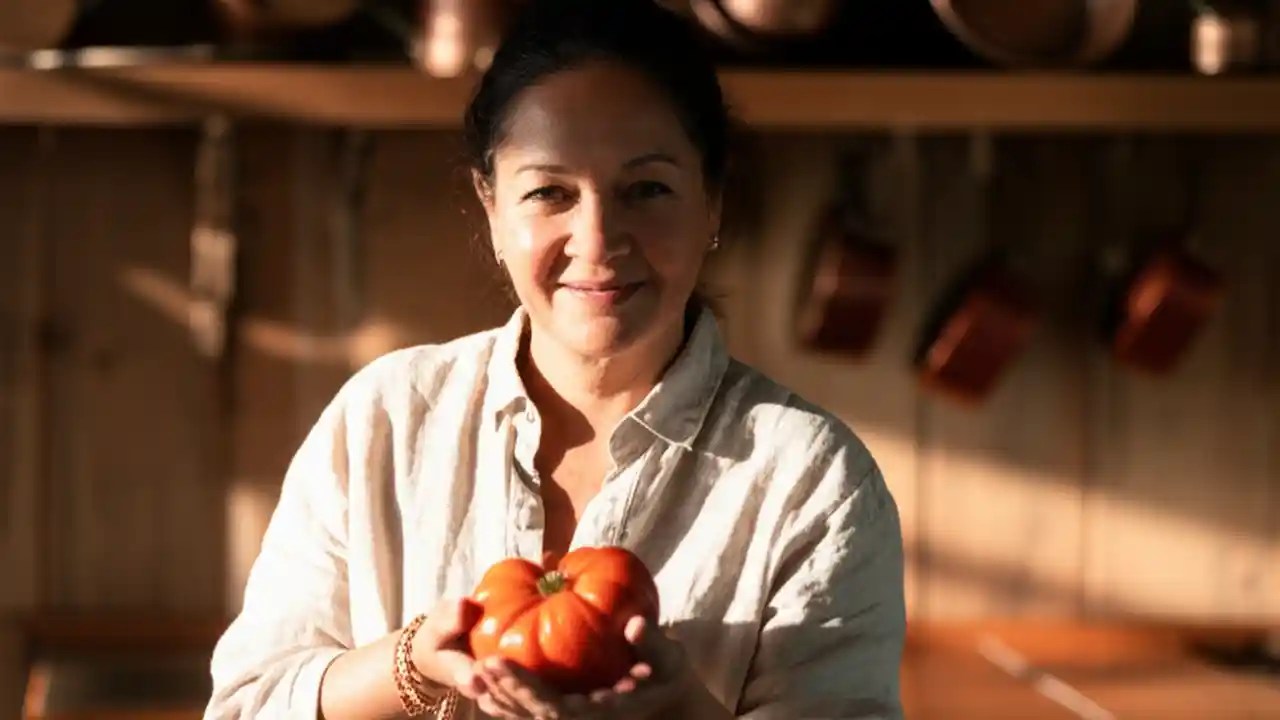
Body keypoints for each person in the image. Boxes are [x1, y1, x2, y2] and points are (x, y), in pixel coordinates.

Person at [203, 0, 905, 718]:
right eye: (549, 192)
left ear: (713, 202)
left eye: (647, 189)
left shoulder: (811, 481)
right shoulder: (385, 420)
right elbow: (245, 706)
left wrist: (686, 711)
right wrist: (412, 662)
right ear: (491, 207)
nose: (597, 240)